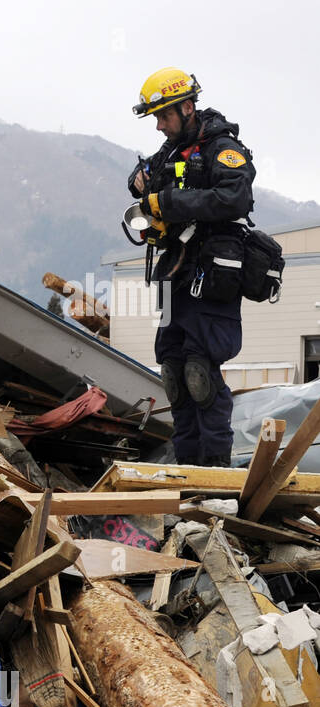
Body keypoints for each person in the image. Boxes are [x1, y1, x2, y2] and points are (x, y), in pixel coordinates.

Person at [128, 68, 255, 467]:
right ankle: (187, 470)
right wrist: (138, 180)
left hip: (211, 273)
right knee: (175, 373)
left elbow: (235, 197)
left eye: (164, 116)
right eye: (156, 118)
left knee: (201, 372)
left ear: (187, 107)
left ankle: (215, 472)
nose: (160, 126)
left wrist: (168, 204)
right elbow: (140, 177)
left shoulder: (222, 147)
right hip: (173, 273)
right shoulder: (169, 151)